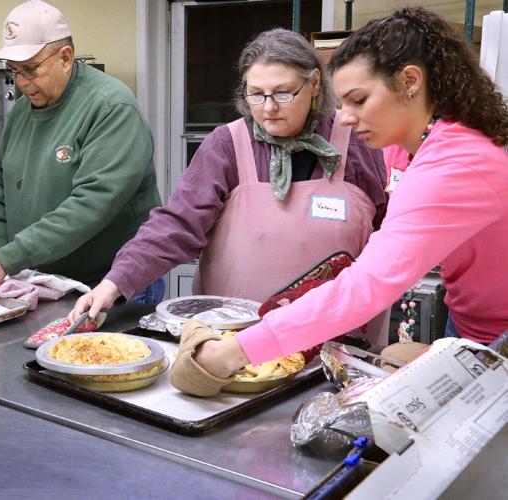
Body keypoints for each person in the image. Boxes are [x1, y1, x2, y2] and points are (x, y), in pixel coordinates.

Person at [171, 7, 508, 397]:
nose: (344, 118)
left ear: (410, 82)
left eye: (359, 100)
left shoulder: (457, 162)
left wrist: (233, 352)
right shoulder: (405, 148)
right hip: (469, 323)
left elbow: (368, 285)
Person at [69, 28, 388, 323]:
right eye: (256, 94)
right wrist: (116, 282)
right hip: (234, 338)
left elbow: (388, 229)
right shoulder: (228, 145)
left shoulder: (356, 139)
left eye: (283, 93)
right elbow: (178, 224)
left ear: (315, 83)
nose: (269, 108)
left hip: (337, 331)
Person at [0, 0, 162, 300]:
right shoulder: (19, 113)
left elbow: (91, 204)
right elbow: (1, 197)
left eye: (30, 70)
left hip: (110, 286)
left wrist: (8, 259)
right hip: (40, 282)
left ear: (66, 57)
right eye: (15, 71)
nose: (22, 83)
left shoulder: (110, 107)